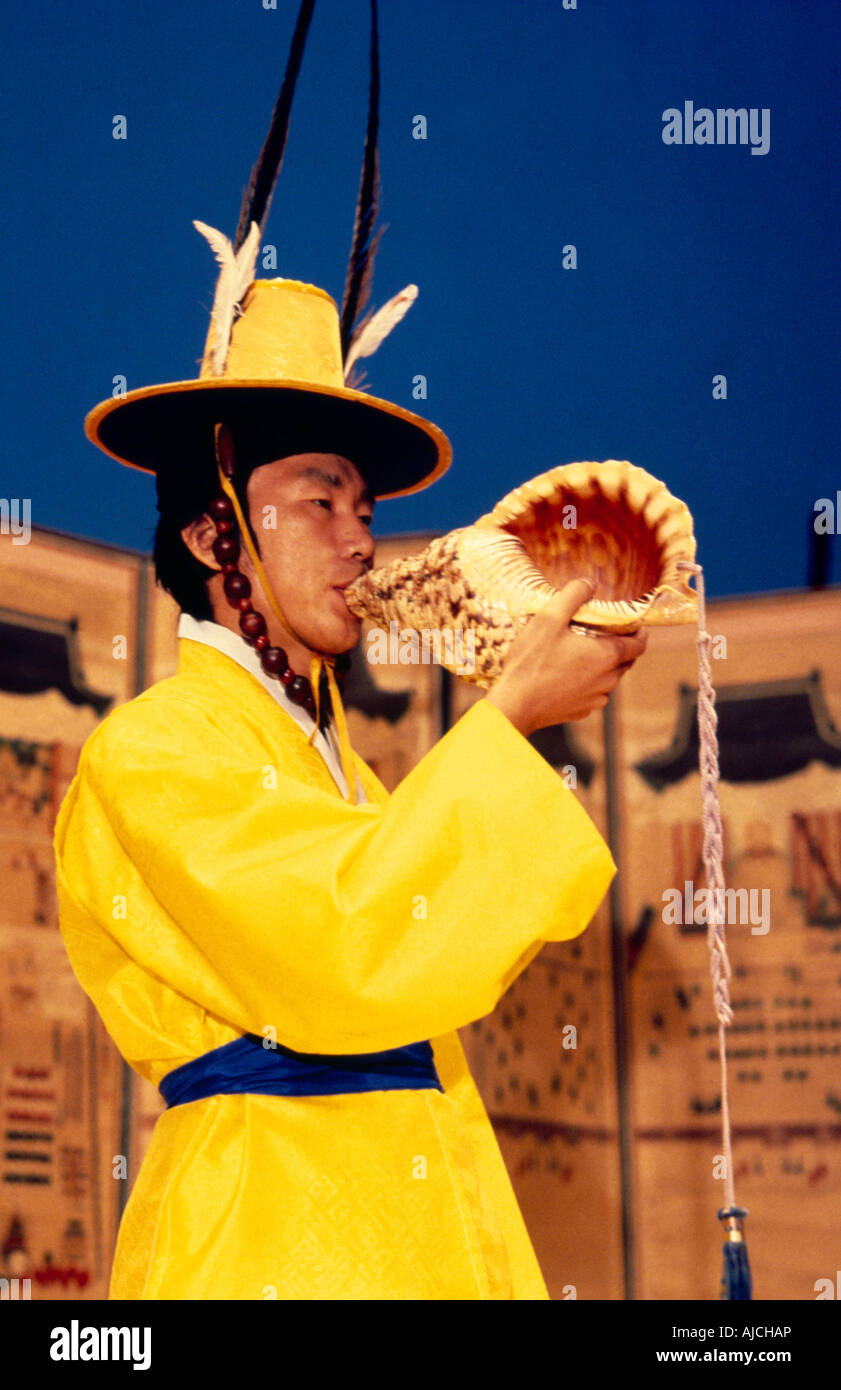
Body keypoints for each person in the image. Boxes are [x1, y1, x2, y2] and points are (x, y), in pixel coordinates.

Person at [53, 273, 646, 1300]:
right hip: (265, 1235)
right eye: (318, 502)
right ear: (213, 535)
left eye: (363, 510)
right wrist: (505, 720)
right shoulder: (151, 749)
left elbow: (412, 940)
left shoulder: (351, 773)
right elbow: (340, 936)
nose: (360, 540)